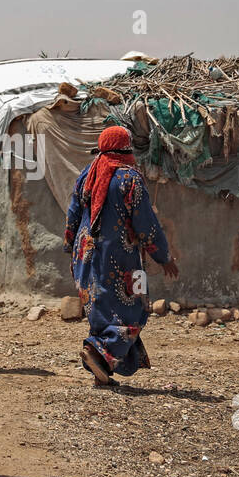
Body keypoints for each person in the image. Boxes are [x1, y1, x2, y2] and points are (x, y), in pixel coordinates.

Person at [65, 125, 177, 386]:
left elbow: (71, 215)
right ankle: (97, 351)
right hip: (123, 262)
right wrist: (164, 256)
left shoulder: (86, 175)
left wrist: (70, 247)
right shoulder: (130, 179)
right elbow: (146, 224)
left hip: (84, 258)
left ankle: (100, 373)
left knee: (101, 311)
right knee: (136, 309)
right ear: (127, 148)